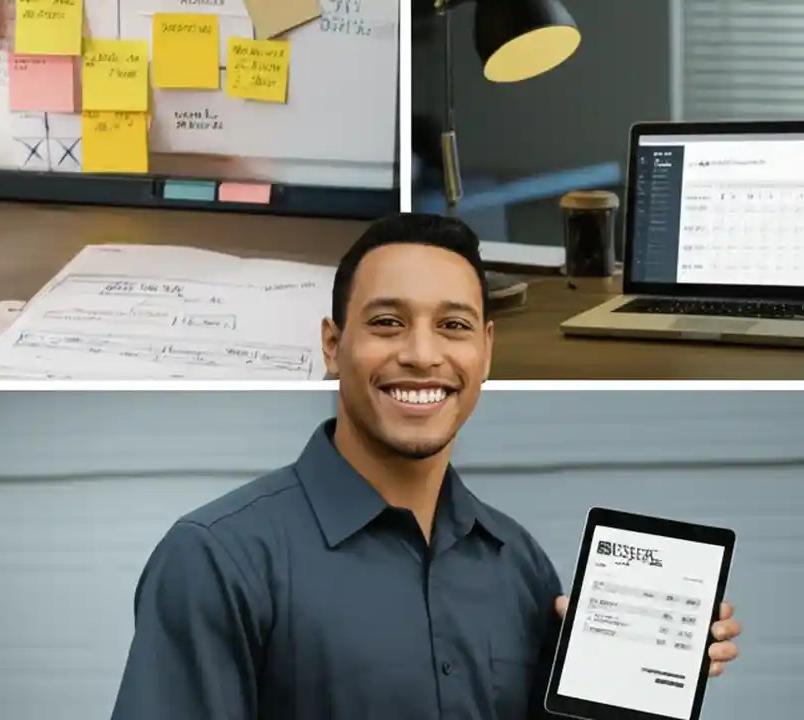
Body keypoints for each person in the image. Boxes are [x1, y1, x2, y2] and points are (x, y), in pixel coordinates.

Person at [110, 214, 742, 719]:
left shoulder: (518, 565)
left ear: (485, 351)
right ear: (332, 344)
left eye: (452, 325)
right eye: (387, 323)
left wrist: (625, 678)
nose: (421, 354)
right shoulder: (217, 559)